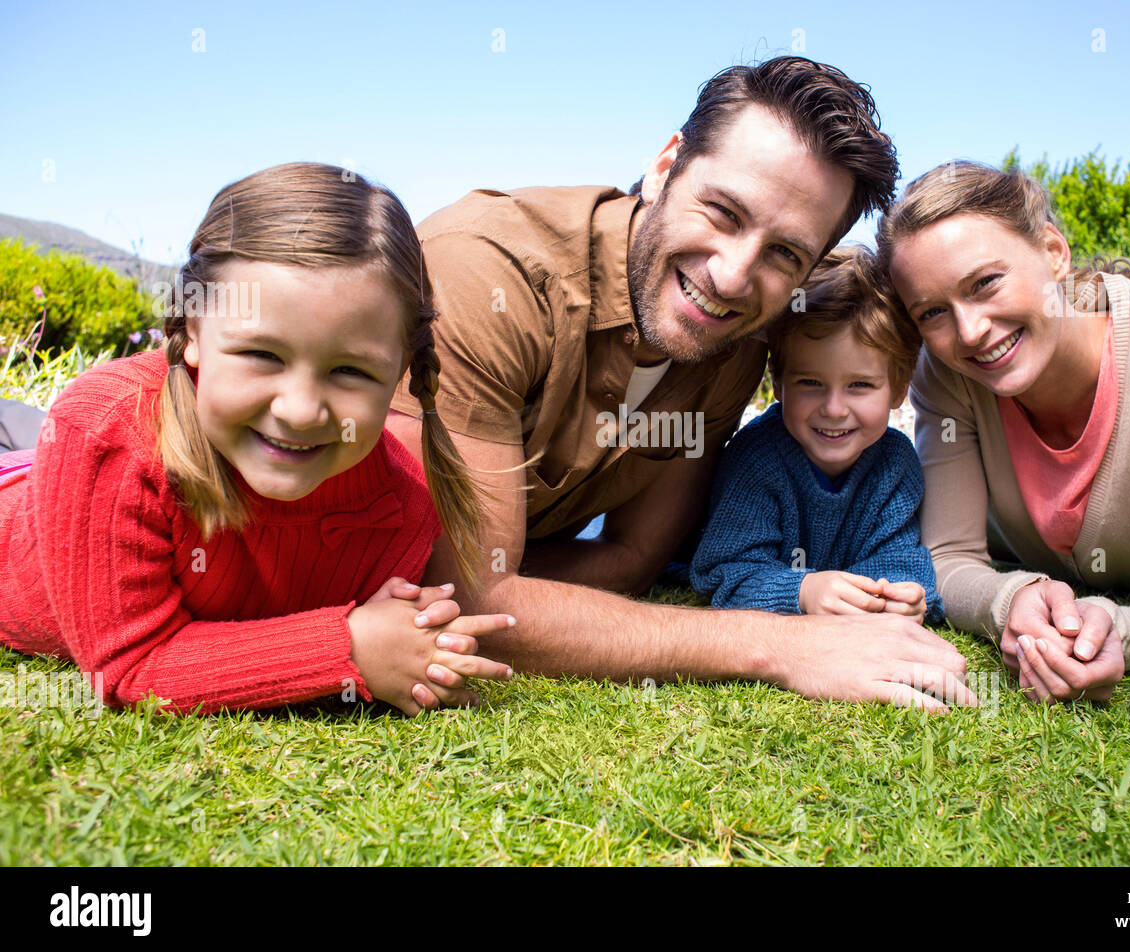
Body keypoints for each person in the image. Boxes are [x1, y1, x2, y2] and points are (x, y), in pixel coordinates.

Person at [387, 57, 976, 711]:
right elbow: (472, 601)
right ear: (667, 163)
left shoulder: (736, 339)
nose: (730, 276)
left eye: (785, 253)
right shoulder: (486, 276)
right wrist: (782, 646)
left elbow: (634, 557)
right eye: (724, 211)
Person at [0, 162, 514, 716]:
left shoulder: (402, 507)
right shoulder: (106, 431)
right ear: (191, 332)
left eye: (350, 371)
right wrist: (350, 646)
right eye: (262, 355)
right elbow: (133, 666)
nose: (299, 410)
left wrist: (416, 639)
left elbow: (358, 623)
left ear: (401, 372)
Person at [876, 160, 1130, 704]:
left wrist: (1112, 629)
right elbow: (950, 559)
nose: (971, 331)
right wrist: (1012, 599)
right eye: (933, 311)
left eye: (986, 283)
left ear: (1054, 252)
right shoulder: (947, 372)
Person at [690, 246, 943, 627]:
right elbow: (724, 571)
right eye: (810, 382)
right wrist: (803, 591)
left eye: (860, 385)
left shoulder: (895, 462)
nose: (834, 409)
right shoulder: (758, 456)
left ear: (897, 388)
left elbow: (900, 559)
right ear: (778, 382)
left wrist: (902, 597)